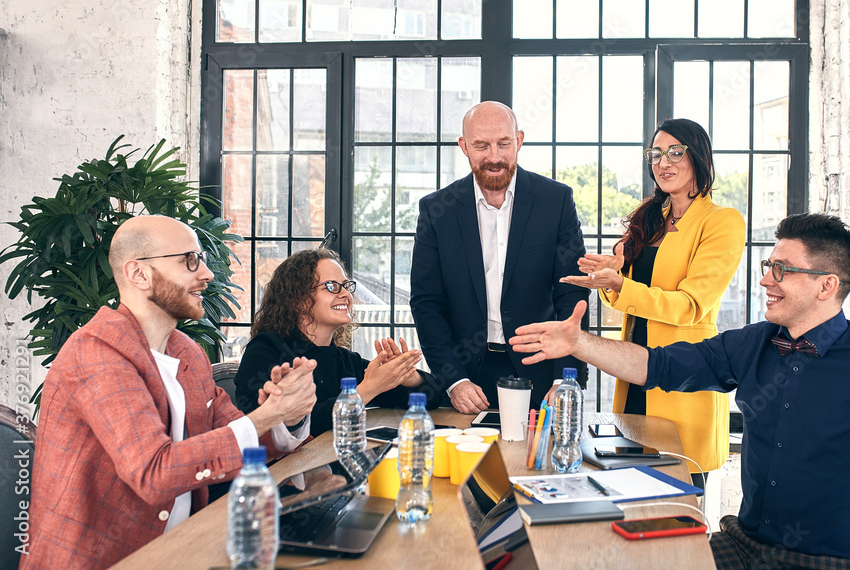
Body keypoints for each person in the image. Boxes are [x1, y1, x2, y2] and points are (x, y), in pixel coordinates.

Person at [511, 213, 850, 569]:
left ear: (827, 285)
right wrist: (579, 343)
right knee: (626, 561)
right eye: (768, 265)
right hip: (745, 545)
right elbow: (658, 365)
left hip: (826, 563)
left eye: (782, 269)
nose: (765, 279)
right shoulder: (755, 343)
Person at [23, 215, 318, 569]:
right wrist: (269, 415)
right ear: (139, 274)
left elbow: (238, 436)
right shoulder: (96, 352)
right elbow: (153, 472)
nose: (207, 274)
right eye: (189, 260)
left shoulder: (187, 353)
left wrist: (288, 411)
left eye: (202, 259)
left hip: (180, 552)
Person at [560, 118, 744, 486]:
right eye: (656, 154)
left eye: (676, 152)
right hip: (634, 370)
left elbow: (690, 306)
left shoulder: (722, 221)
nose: (664, 163)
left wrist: (622, 285)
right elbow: (629, 292)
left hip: (682, 377)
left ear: (699, 157)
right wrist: (612, 276)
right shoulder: (651, 218)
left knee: (676, 499)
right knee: (628, 494)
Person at [410, 100, 589, 414]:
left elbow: (571, 292)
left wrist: (565, 378)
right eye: (481, 146)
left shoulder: (556, 201)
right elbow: (427, 303)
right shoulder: (436, 210)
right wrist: (454, 380)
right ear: (464, 147)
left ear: (519, 140)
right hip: (467, 379)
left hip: (542, 373)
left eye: (504, 144)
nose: (494, 157)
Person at [235, 248, 442, 435]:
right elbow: (291, 428)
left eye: (346, 286)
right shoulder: (265, 350)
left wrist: (407, 376)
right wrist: (368, 389)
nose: (346, 294)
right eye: (332, 286)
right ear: (298, 299)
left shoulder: (345, 360)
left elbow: (432, 398)